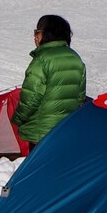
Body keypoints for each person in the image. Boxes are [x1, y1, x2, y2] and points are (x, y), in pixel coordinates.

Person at [12, 14, 87, 146]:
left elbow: (31, 98)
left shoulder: (41, 60)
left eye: (37, 32)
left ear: (47, 34)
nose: (35, 37)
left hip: (41, 133)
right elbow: (80, 98)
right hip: (65, 130)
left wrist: (18, 118)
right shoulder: (75, 58)